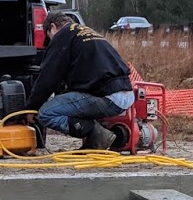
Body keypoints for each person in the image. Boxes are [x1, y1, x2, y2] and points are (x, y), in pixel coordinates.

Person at [28, 12, 136, 150]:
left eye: (49, 38)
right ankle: (94, 142)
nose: (51, 43)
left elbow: (47, 78)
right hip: (125, 95)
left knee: (46, 113)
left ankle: (97, 134)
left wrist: (31, 108)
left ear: (53, 27)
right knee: (68, 102)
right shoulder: (86, 33)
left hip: (108, 97)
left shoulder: (63, 35)